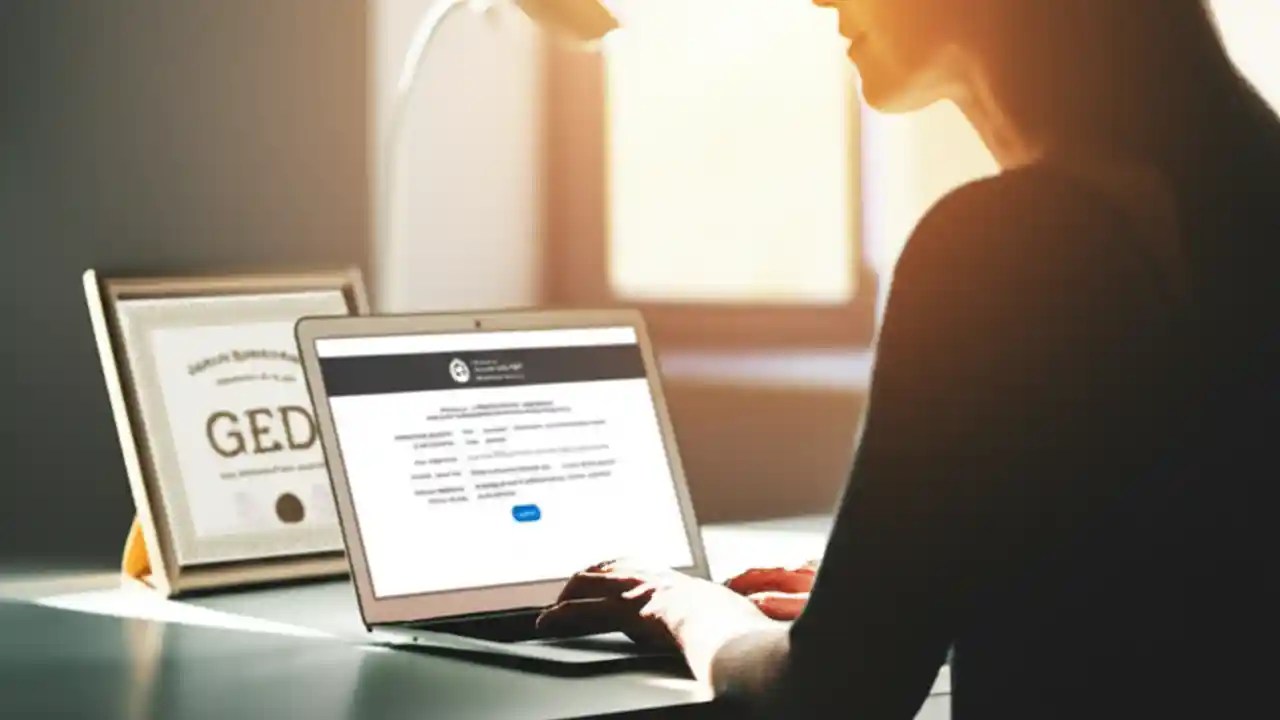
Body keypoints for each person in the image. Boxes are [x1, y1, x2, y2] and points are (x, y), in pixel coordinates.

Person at [537, 0, 1279, 716]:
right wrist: (902, 593)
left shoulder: (1013, 242)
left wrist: (676, 601)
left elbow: (826, 696)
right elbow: (1177, 593)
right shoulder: (1240, 199)